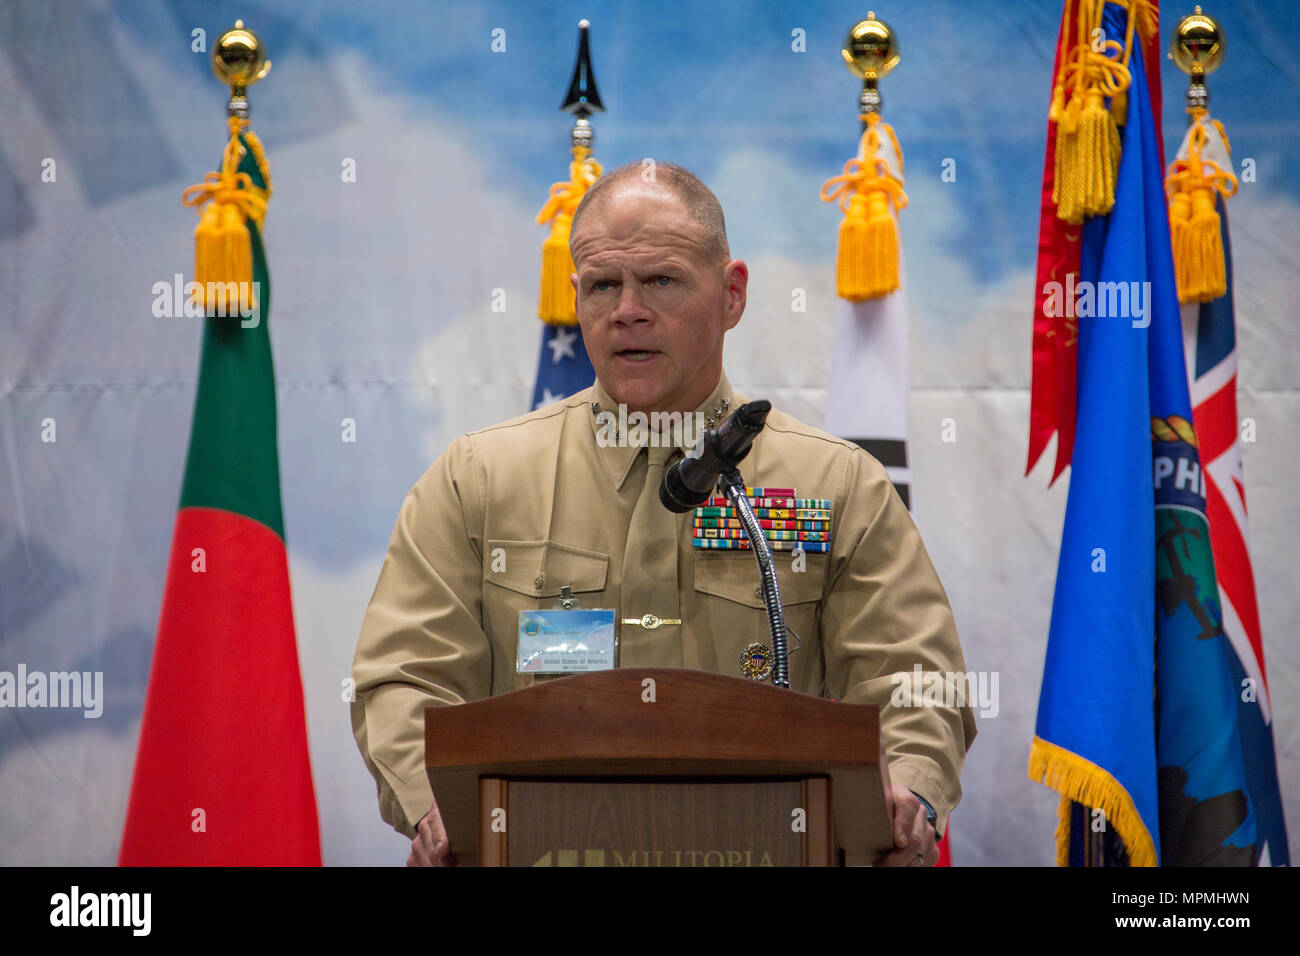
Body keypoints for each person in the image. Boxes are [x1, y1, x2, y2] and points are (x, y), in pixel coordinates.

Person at [351, 162, 977, 867]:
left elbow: (913, 679)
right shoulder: (480, 480)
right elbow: (404, 677)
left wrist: (911, 791)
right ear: (576, 297)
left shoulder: (835, 484)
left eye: (662, 281)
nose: (627, 310)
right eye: (602, 286)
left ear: (732, 294)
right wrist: (428, 802)